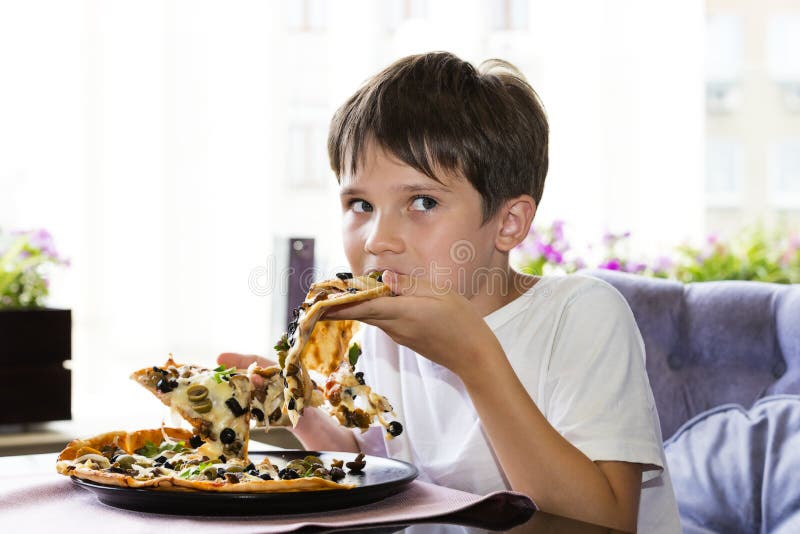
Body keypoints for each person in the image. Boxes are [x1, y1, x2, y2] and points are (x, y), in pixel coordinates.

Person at [220, 51, 680, 532]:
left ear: (508, 222)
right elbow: (377, 474)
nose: (377, 239)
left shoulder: (581, 315)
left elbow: (605, 522)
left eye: (422, 202)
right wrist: (299, 408)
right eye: (360, 203)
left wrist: (474, 358)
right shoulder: (381, 335)